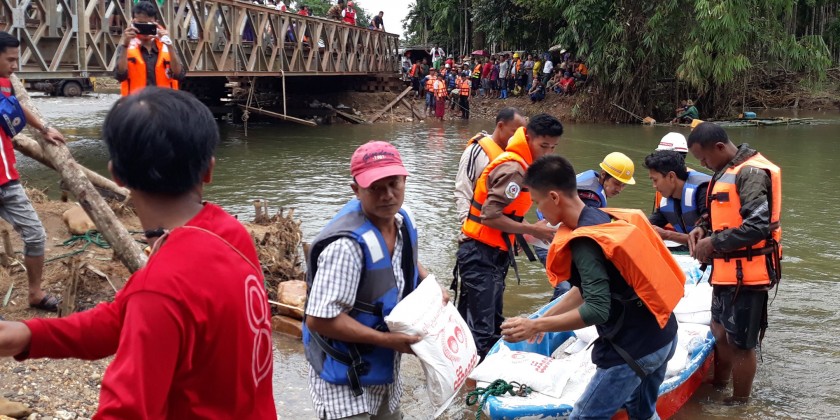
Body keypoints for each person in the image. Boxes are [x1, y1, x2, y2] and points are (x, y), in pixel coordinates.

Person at [0, 88, 277, 417]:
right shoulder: (228, 232)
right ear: (209, 169)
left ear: (115, 174)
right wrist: (32, 335)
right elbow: (124, 316)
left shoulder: (161, 288)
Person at [500, 154, 682, 420]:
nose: (537, 210)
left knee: (583, 417)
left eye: (537, 202)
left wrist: (537, 326)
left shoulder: (584, 242)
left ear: (554, 197)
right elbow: (584, 290)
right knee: (642, 412)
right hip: (664, 334)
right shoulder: (598, 216)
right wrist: (541, 317)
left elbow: (597, 309)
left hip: (635, 350)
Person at [303, 141, 445, 419]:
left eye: (394, 184)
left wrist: (430, 284)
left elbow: (405, 260)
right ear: (356, 190)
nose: (388, 195)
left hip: (382, 368)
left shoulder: (401, 220)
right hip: (344, 375)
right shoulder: (346, 247)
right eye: (376, 188)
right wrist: (387, 340)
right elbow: (319, 319)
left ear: (405, 180)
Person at [453, 114, 563, 359]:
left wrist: (525, 234)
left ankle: (467, 376)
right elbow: (489, 217)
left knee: (486, 322)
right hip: (480, 254)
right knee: (484, 329)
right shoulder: (514, 169)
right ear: (528, 138)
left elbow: (508, 215)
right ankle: (476, 388)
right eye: (543, 146)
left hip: (489, 252)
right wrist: (534, 230)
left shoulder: (523, 166)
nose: (547, 153)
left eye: (553, 147)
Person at [687, 122, 782, 404]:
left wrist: (713, 243)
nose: (703, 164)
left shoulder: (750, 172)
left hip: (749, 276)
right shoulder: (725, 171)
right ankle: (719, 385)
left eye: (703, 158)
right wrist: (703, 227)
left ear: (719, 147)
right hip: (728, 271)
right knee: (720, 332)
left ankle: (740, 402)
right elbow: (724, 213)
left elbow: (757, 225)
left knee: (742, 343)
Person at [0, 32, 66, 312]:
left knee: (36, 235)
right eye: (10, 59)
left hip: (7, 179)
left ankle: (35, 293)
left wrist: (44, 128)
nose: (16, 65)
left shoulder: (4, 83)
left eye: (17, 59)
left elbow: (18, 108)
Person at [454, 108, 527, 227]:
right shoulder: (476, 151)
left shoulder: (515, 157)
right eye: (514, 132)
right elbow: (463, 190)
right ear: (501, 126)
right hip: (477, 228)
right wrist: (466, 223)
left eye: (521, 135)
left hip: (503, 228)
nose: (518, 138)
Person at [116, 0, 185, 96]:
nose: (145, 29)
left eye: (149, 24)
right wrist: (125, 45)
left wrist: (169, 45)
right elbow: (120, 75)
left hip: (164, 105)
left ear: (156, 23)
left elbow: (179, 74)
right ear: (133, 22)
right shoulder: (125, 47)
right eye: (140, 24)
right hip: (136, 105)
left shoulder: (167, 46)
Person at [645, 150, 712, 245]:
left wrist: (668, 235)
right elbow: (648, 225)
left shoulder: (704, 192)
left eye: (655, 180)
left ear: (671, 177)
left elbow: (714, 239)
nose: (654, 186)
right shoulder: (667, 202)